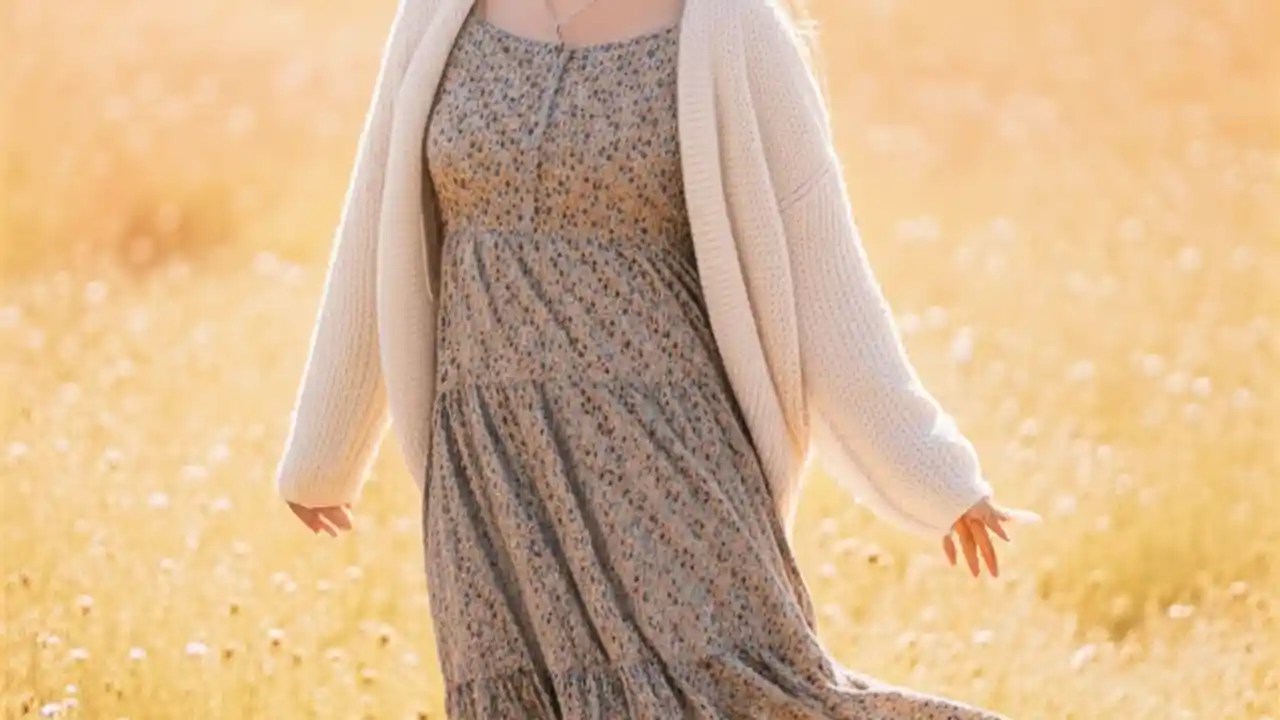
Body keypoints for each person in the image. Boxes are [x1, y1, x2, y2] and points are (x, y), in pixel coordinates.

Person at [274, 0, 1040, 716]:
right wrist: (323, 449)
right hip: (490, 465)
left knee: (735, 694)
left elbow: (819, 261)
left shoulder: (733, 27)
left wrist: (935, 473)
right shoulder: (439, 15)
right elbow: (376, 222)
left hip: (665, 457)